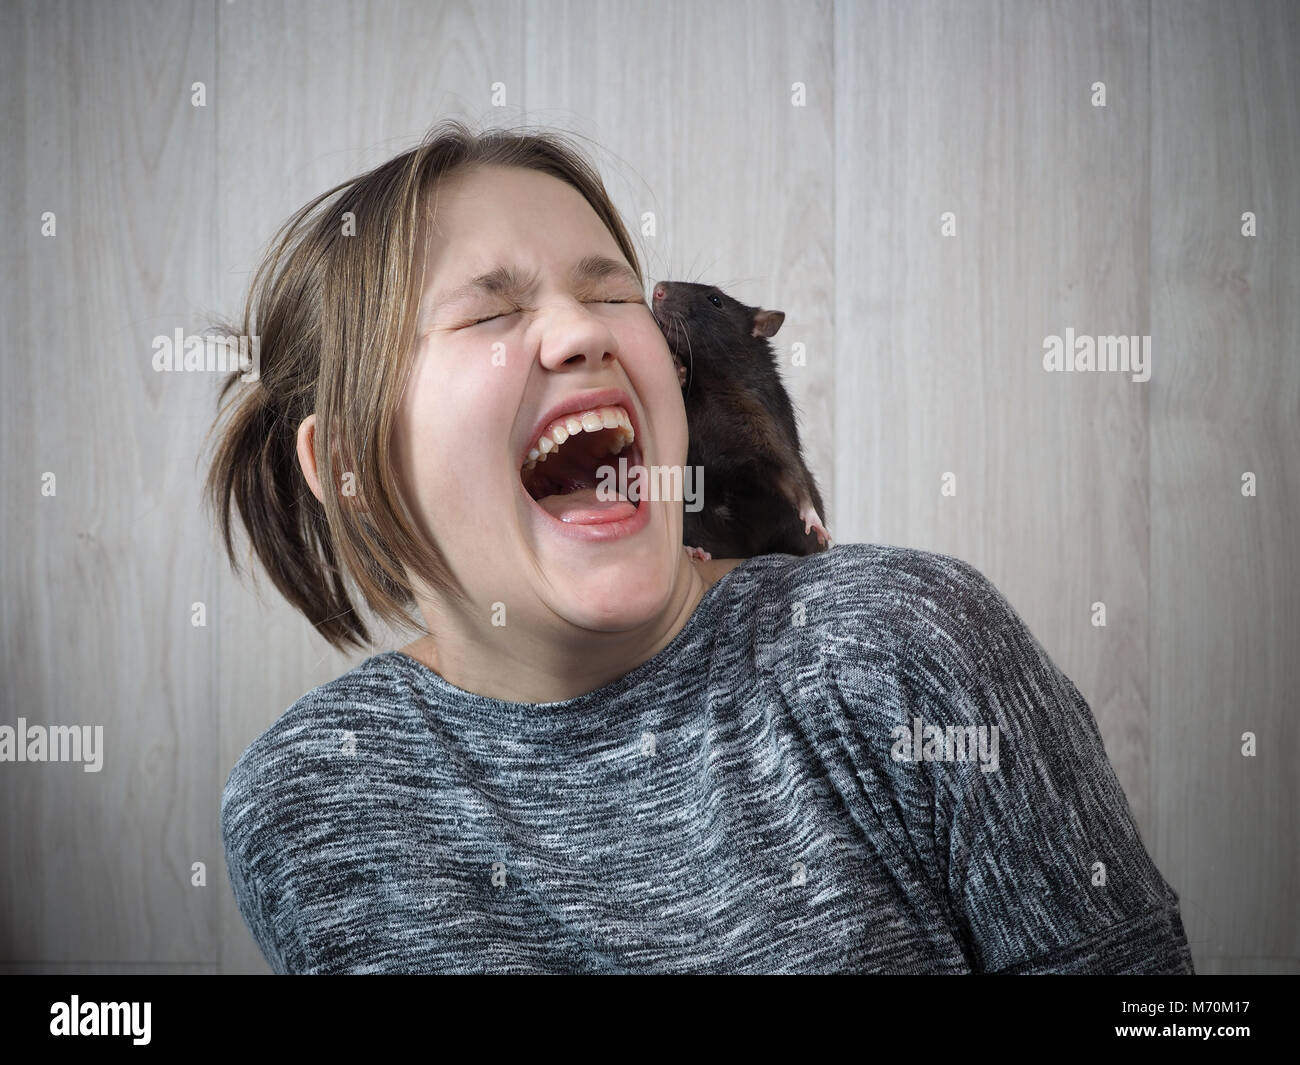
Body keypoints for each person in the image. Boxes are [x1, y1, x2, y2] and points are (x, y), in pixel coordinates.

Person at [207, 119, 1195, 974]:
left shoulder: (905, 648)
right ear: (343, 464)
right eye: (493, 310)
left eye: (609, 294)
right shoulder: (314, 796)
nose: (581, 333)